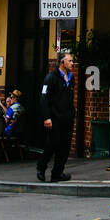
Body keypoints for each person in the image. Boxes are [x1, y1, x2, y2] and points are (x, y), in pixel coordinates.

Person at [36, 53, 76, 182]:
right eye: (69, 61)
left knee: (65, 147)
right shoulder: (51, 78)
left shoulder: (71, 78)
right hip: (54, 117)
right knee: (52, 144)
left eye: (72, 61)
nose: (72, 63)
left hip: (67, 118)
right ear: (62, 62)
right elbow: (44, 99)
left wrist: (72, 113)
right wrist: (46, 117)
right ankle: (41, 168)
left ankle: (57, 173)